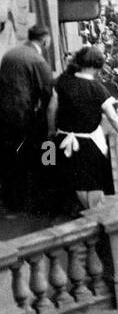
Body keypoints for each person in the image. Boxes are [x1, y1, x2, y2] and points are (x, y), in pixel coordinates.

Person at [52, 46, 118, 212]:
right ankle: (92, 216)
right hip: (87, 145)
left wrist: (51, 130)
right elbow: (112, 118)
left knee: (76, 182)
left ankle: (85, 212)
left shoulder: (63, 81)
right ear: (95, 67)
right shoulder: (97, 88)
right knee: (93, 184)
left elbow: (51, 108)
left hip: (62, 141)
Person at [0, 25, 55, 213]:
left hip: (4, 116)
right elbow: (48, 94)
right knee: (30, 159)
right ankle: (29, 204)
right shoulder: (37, 60)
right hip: (21, 119)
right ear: (45, 40)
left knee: (8, 160)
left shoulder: (11, 54)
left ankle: (10, 204)